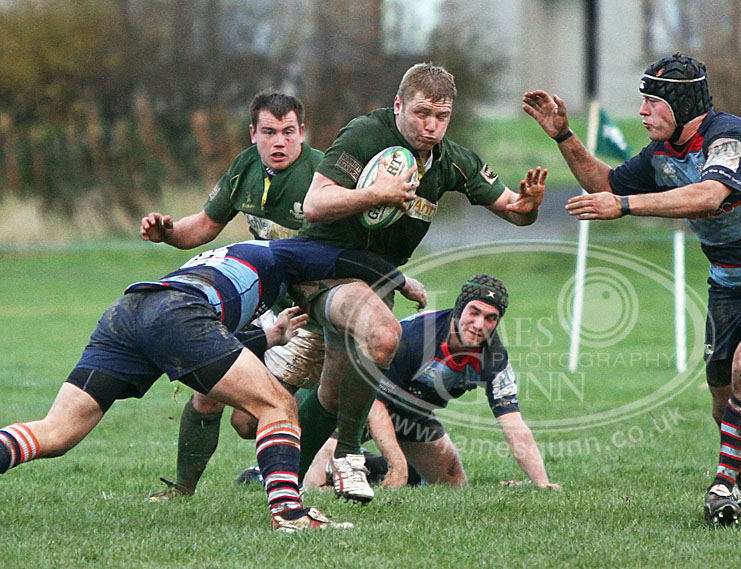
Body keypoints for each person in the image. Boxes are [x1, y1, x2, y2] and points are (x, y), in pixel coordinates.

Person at [523, 52, 741, 525]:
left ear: (682, 104)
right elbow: (605, 182)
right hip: (727, 288)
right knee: (723, 406)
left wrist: (625, 206)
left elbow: (709, 194)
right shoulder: (661, 156)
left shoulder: (728, 136)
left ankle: (722, 486)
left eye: (652, 102)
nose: (642, 112)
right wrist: (564, 137)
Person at [0, 237, 422, 532]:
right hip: (179, 312)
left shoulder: (223, 259)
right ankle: (291, 516)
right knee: (278, 406)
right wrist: (402, 280)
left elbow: (205, 345)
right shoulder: (281, 252)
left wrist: (269, 337)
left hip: (129, 310)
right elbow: (344, 257)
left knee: (58, 431)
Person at [294, 61, 547, 505]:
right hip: (324, 266)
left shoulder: (452, 161)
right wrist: (375, 194)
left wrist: (528, 206)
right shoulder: (366, 135)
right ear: (398, 106)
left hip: (376, 280)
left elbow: (512, 209)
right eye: (422, 113)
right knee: (384, 337)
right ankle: (350, 459)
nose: (432, 126)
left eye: (442, 116)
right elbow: (315, 203)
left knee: (332, 393)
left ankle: (277, 474)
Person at [139, 92, 328, 500]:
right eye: (269, 132)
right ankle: (181, 489)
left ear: (301, 133)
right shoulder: (245, 168)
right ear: (253, 134)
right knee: (212, 397)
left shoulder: (321, 174)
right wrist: (168, 233)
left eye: (288, 132)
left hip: (316, 321)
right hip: (267, 310)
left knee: (258, 416)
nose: (279, 142)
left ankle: (349, 415)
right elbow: (204, 226)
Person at [302, 275, 560, 491]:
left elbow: (513, 423)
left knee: (455, 487)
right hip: (361, 406)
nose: (479, 324)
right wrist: (397, 463)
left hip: (413, 415)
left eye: (491, 318)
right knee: (317, 485)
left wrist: (542, 483)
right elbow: (375, 404)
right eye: (474, 312)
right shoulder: (416, 336)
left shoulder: (494, 359)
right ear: (460, 308)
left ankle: (376, 468)